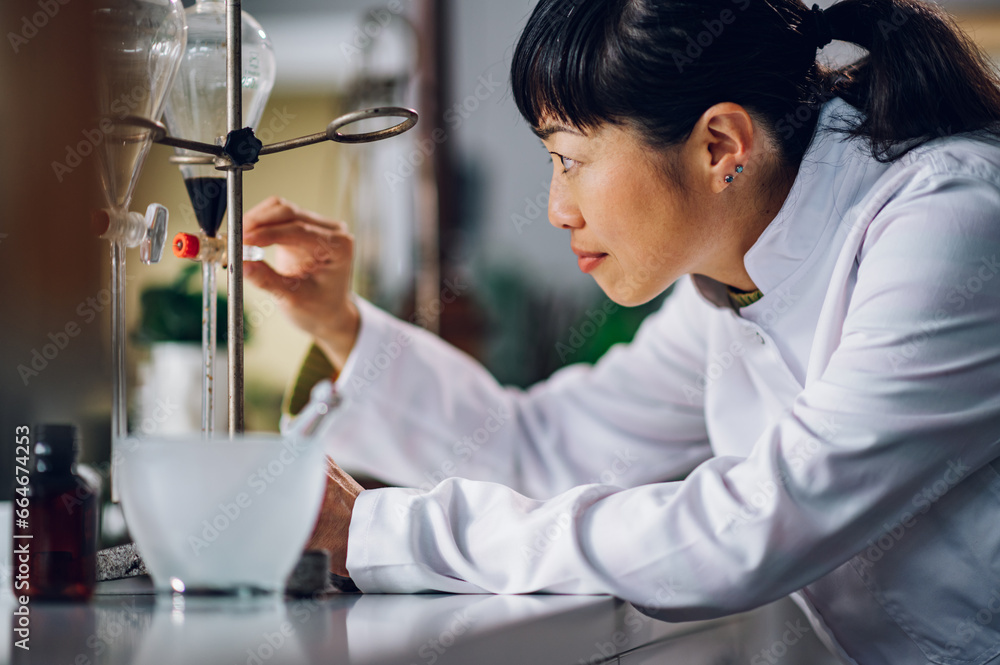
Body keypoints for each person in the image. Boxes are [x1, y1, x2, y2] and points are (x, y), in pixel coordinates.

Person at [243, 1, 1000, 663]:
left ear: (719, 146)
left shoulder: (951, 220)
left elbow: (751, 528)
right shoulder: (728, 280)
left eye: (569, 159)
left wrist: (383, 529)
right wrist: (338, 324)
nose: (556, 208)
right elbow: (544, 450)